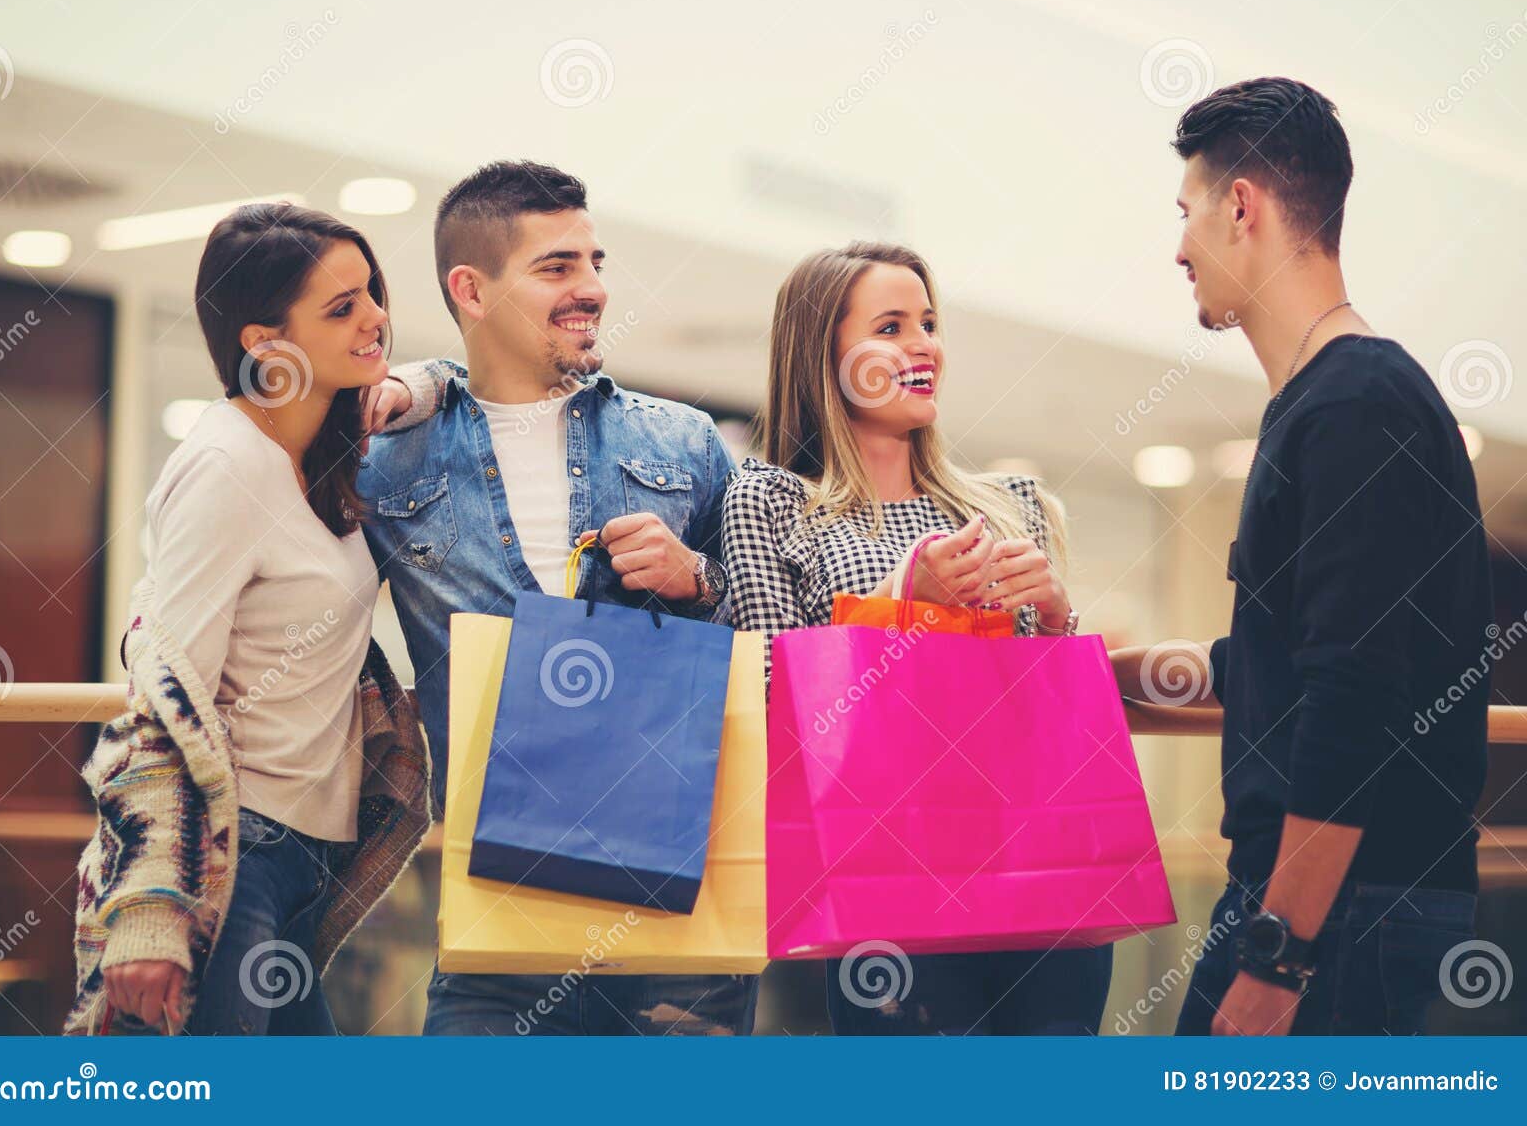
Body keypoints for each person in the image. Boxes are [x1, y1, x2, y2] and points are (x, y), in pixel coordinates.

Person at [1112, 78, 1491, 1035]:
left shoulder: (1355, 405)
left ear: (1241, 208)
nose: (1177, 246)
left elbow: (1352, 698)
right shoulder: (1331, 400)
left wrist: (1278, 957)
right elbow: (1278, 662)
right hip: (1342, 907)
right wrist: (1093, 678)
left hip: (1338, 916)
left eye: (1187, 211)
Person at [361, 160, 752, 1036]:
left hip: (680, 923)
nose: (593, 290)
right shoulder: (389, 464)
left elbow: (781, 641)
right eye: (557, 268)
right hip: (500, 919)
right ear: (471, 288)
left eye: (595, 261)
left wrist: (700, 580)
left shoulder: (682, 442)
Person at [720, 240, 1113, 1035]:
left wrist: (1060, 618)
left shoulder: (1008, 503)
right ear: (822, 355)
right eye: (891, 326)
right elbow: (768, 691)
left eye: (928, 323)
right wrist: (906, 598)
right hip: (882, 875)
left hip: (1036, 871)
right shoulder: (770, 502)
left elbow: (1042, 715)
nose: (923, 345)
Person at [66, 203, 430, 1036]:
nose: (375, 316)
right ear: (265, 342)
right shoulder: (226, 460)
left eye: (369, 289)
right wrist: (151, 910)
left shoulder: (321, 454)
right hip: (232, 858)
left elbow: (457, 386)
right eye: (341, 309)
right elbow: (163, 687)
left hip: (302, 858)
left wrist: (418, 383)